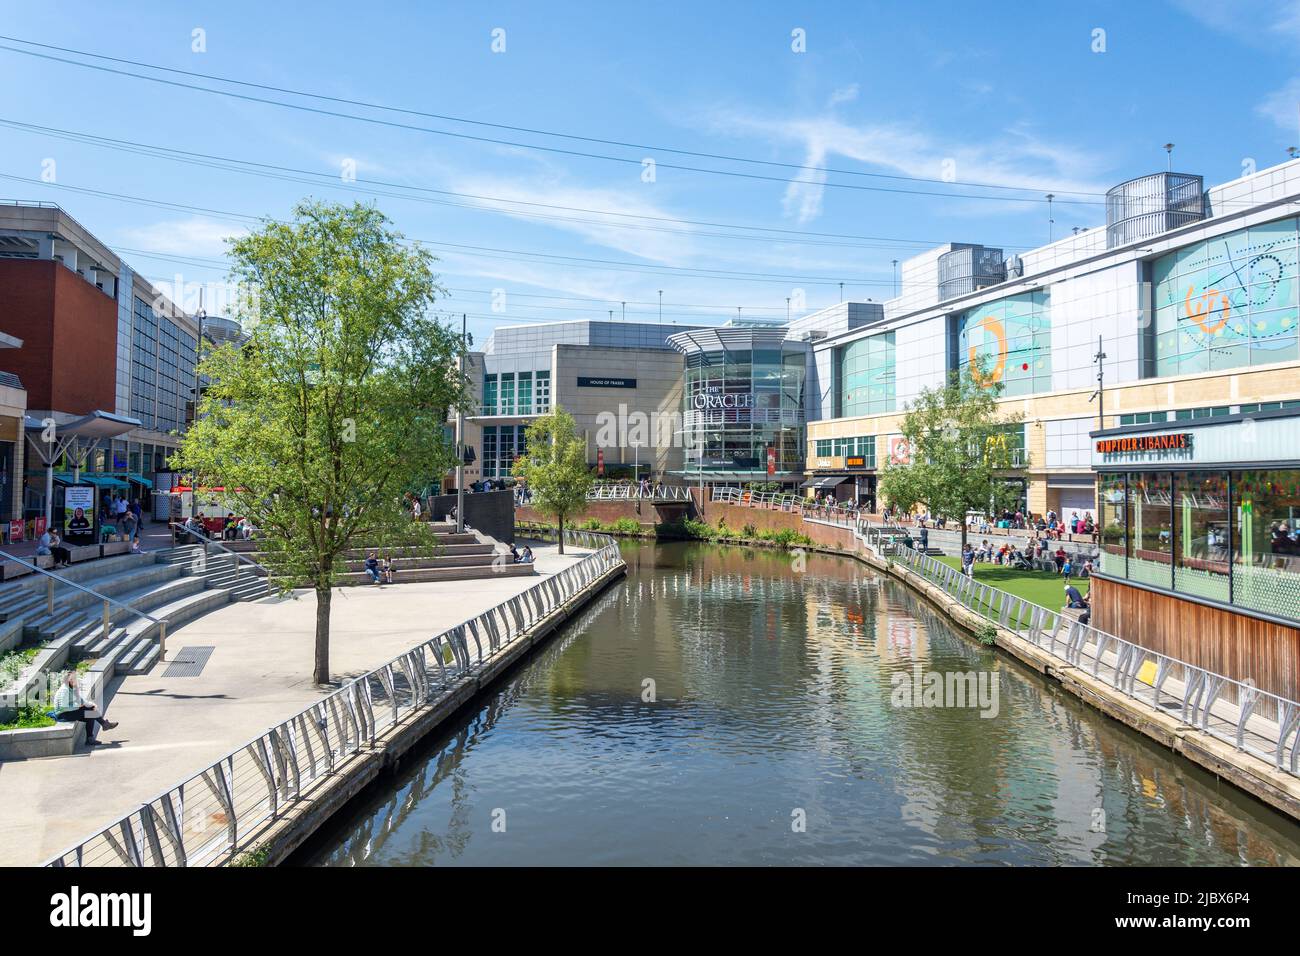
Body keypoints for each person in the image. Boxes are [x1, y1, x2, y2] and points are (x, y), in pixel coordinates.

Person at [52, 671, 117, 746]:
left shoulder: (72, 688)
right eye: (74, 679)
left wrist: (92, 705)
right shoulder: (64, 690)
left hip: (70, 712)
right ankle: (103, 725)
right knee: (90, 713)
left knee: (91, 712)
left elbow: (81, 700)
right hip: (63, 714)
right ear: (69, 680)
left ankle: (91, 738)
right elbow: (63, 707)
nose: (76, 680)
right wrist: (78, 706)